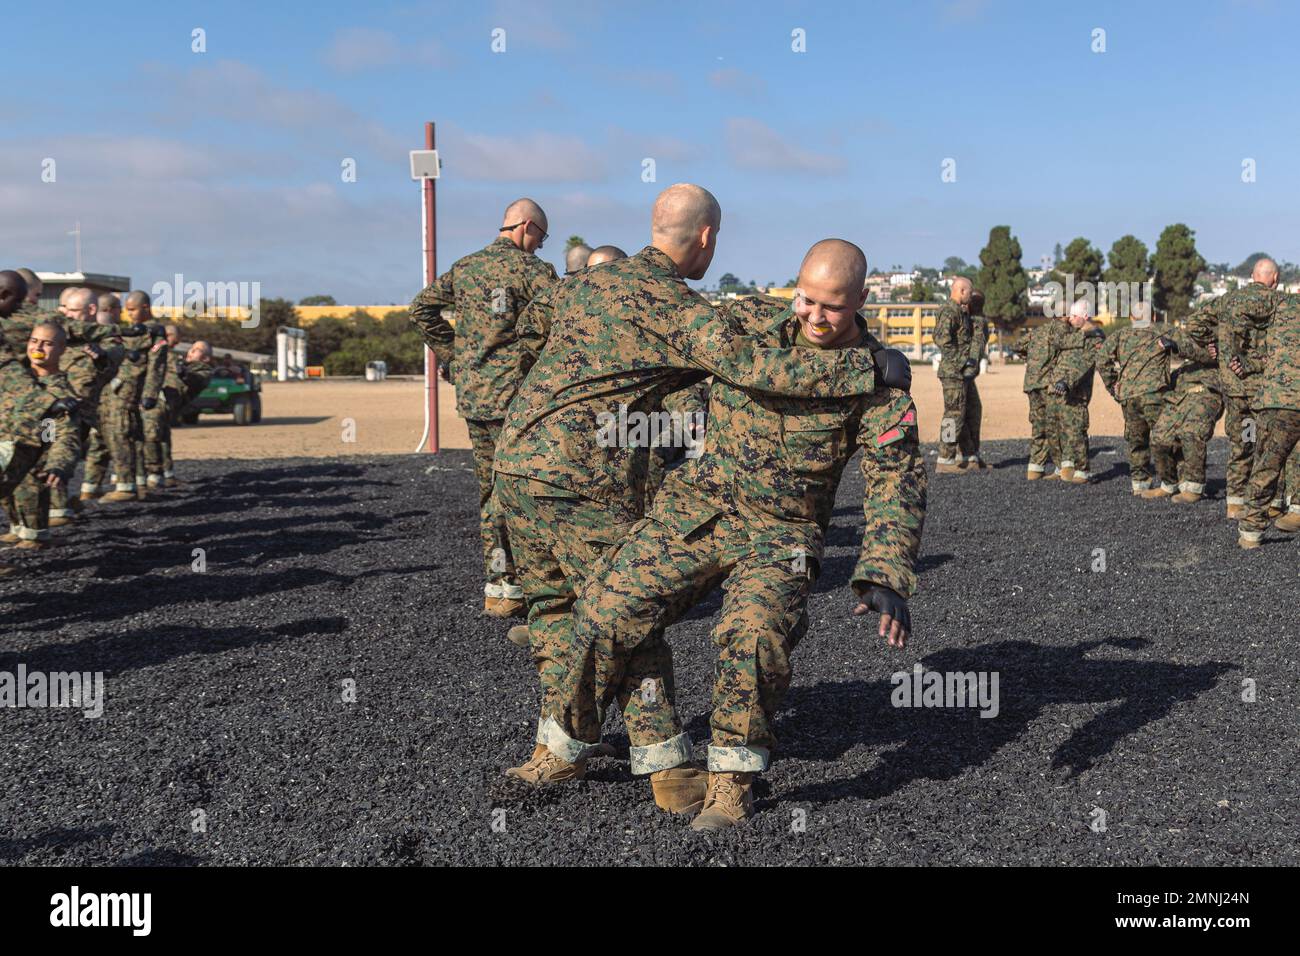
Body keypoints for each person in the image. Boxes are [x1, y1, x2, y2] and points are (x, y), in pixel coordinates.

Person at [491, 184, 904, 786]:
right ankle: (568, 743)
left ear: (861, 300)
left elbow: (896, 481)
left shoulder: (884, 394)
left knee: (750, 634)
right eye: (806, 299)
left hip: (781, 533)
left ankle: (728, 783)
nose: (813, 316)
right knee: (605, 607)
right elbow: (730, 359)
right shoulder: (749, 323)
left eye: (832, 307)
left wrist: (884, 571)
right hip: (699, 507)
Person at [408, 198, 559, 619]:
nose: (539, 247)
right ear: (527, 226)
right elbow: (560, 323)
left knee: (490, 492)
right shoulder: (534, 272)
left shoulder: (466, 267)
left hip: (475, 397)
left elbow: (421, 309)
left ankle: (499, 585)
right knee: (527, 487)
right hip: (518, 400)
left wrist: (452, 355)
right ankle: (539, 584)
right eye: (541, 239)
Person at [1096, 302, 1169, 494]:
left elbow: (1101, 359)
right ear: (1153, 317)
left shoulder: (1120, 335)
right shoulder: (1163, 332)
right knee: (1164, 438)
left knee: (1137, 440)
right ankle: (1169, 481)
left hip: (1129, 396)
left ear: (1131, 318)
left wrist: (1113, 386)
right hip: (1155, 394)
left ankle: (1140, 483)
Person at [932, 277, 986, 472]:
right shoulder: (950, 310)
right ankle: (945, 459)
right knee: (952, 416)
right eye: (969, 294)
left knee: (968, 411)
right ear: (962, 291)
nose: (970, 298)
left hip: (959, 373)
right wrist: (962, 363)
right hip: (953, 373)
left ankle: (970, 455)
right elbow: (941, 339)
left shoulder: (959, 311)